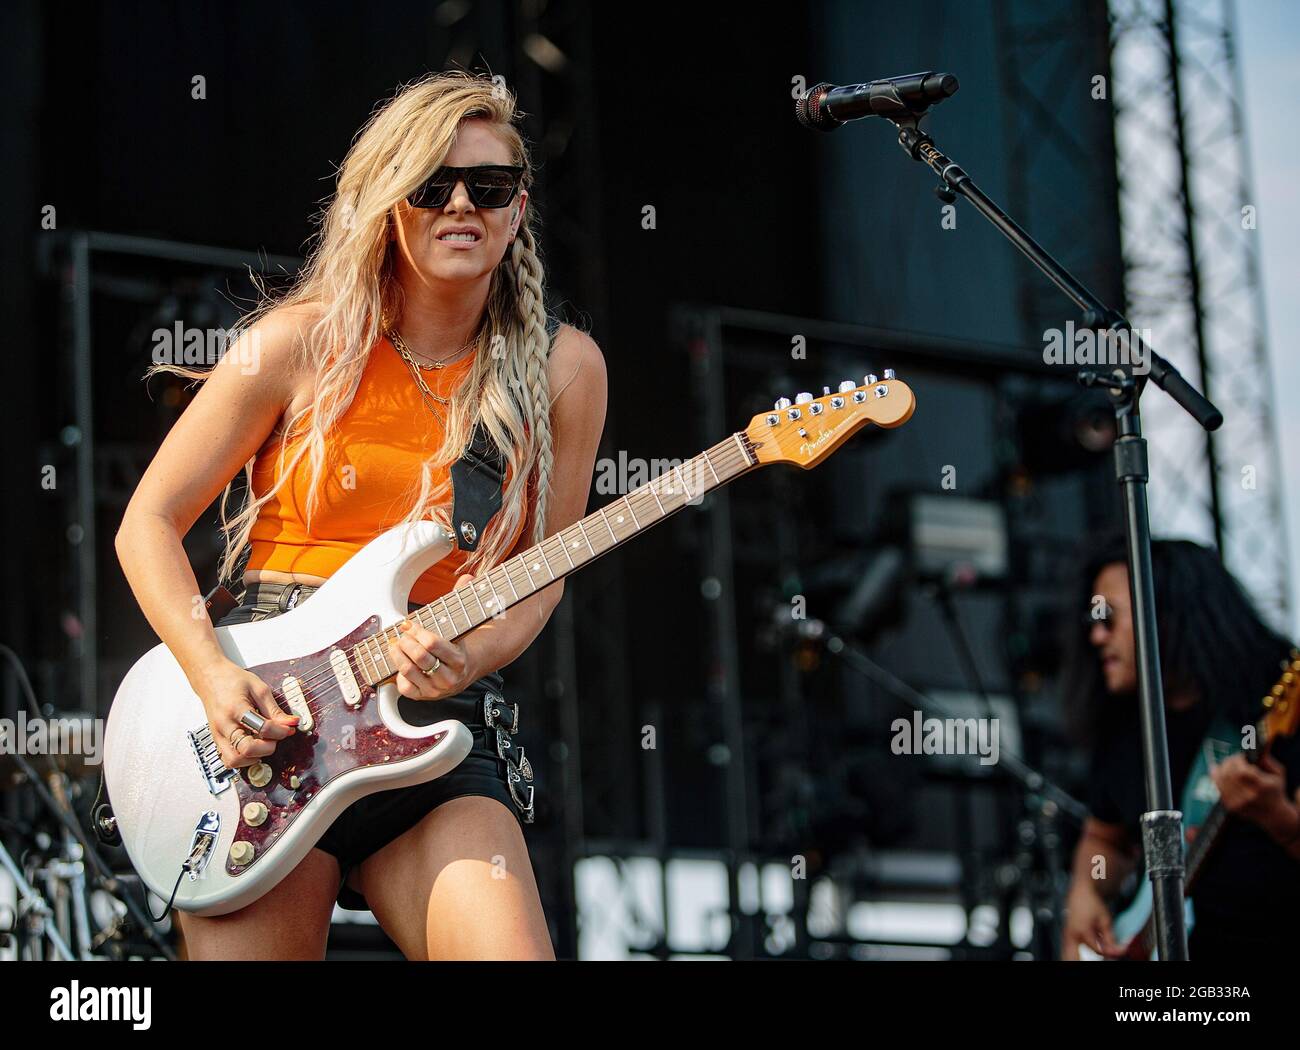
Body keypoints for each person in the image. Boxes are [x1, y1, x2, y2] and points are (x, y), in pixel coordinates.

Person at [114, 72, 607, 959]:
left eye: (488, 188)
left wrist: (472, 651)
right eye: (431, 185)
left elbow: (543, 570)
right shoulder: (298, 340)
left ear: (519, 208)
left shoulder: (564, 369)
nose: (461, 204)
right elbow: (147, 521)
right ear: (388, 203)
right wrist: (214, 680)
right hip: (268, 716)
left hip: (435, 711)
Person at [1060, 537, 1300, 960]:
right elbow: (1106, 838)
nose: (1096, 635)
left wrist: (1279, 819)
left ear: (1168, 615)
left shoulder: (1276, 699)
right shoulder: (1124, 722)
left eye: (1109, 617)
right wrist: (1086, 891)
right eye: (1093, 619)